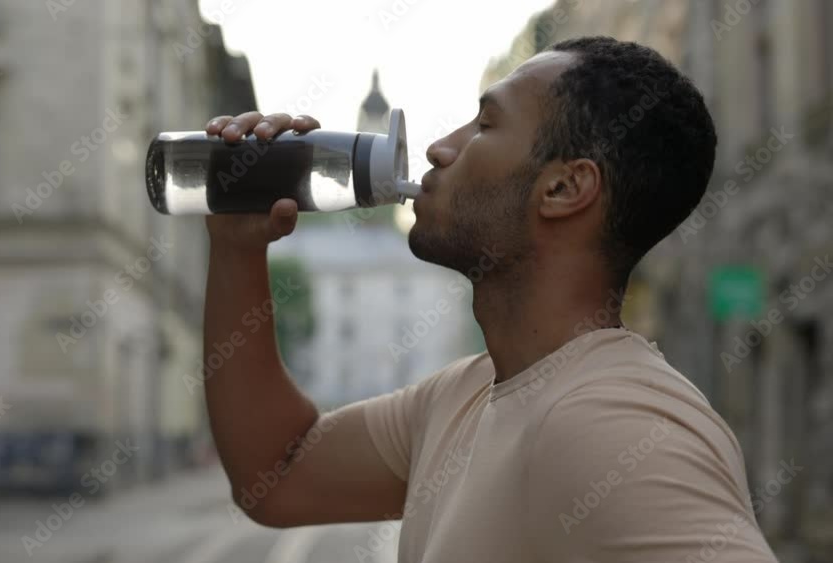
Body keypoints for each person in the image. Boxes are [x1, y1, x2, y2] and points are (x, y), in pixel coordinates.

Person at [200, 36, 779, 562]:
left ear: (563, 188)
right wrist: (237, 248)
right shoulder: (465, 395)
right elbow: (276, 471)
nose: (437, 149)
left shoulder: (609, 422)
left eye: (484, 125)